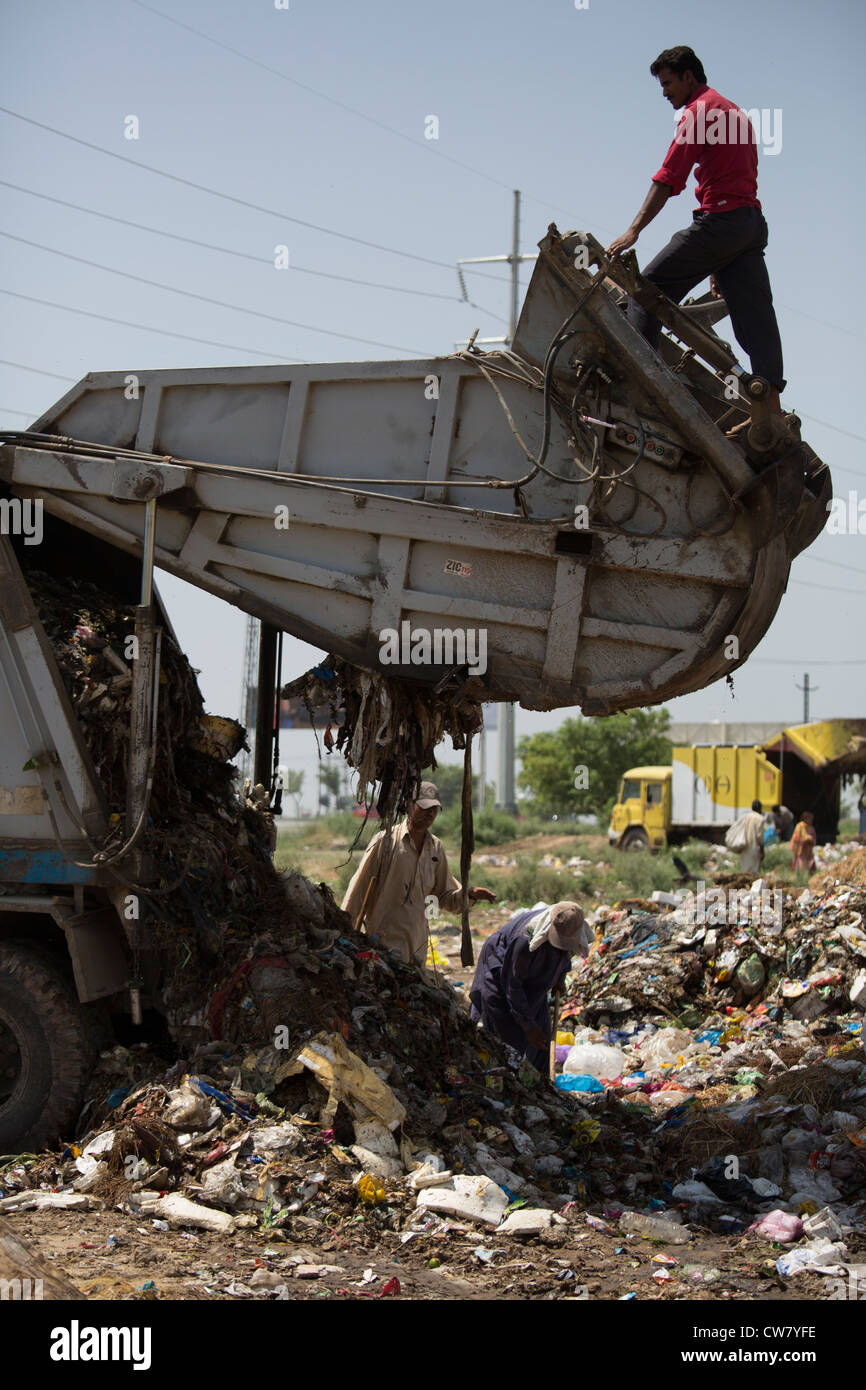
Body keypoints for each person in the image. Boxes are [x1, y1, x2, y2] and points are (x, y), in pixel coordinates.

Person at [607, 46, 785, 415]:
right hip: (748, 225)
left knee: (646, 293)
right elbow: (733, 181)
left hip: (721, 222)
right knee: (755, 317)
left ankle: (646, 391)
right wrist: (722, 262)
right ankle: (770, 404)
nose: (664, 92)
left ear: (690, 76)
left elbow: (670, 177)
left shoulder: (698, 113)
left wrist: (633, 230)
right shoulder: (735, 113)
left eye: (668, 83)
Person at [341, 781, 495, 967]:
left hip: (416, 949)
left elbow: (443, 896)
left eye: (434, 809)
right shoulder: (386, 841)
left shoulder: (436, 848)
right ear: (409, 805)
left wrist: (469, 895)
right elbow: (359, 888)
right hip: (382, 945)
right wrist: (343, 929)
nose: (430, 813)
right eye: (424, 808)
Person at [469, 902, 593, 1073]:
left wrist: (560, 978)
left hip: (531, 976)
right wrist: (528, 1027)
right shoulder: (526, 939)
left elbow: (565, 955)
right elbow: (513, 985)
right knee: (506, 1034)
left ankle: (541, 1084)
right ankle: (505, 1081)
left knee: (542, 1034)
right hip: (501, 972)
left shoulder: (574, 929)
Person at [737, 798, 766, 875]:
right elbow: (759, 836)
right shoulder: (760, 819)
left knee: (745, 872)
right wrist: (762, 850)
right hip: (754, 848)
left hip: (744, 847)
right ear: (760, 808)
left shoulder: (745, 817)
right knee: (754, 873)